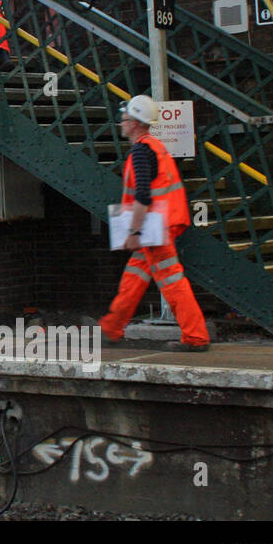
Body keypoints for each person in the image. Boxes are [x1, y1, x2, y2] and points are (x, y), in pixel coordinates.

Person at [98, 95, 210, 352]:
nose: (122, 124)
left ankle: (196, 337)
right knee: (134, 277)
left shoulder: (141, 151)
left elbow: (143, 196)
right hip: (159, 224)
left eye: (125, 119)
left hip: (153, 228)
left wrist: (135, 231)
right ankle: (111, 328)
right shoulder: (155, 147)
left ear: (136, 123)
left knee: (172, 280)